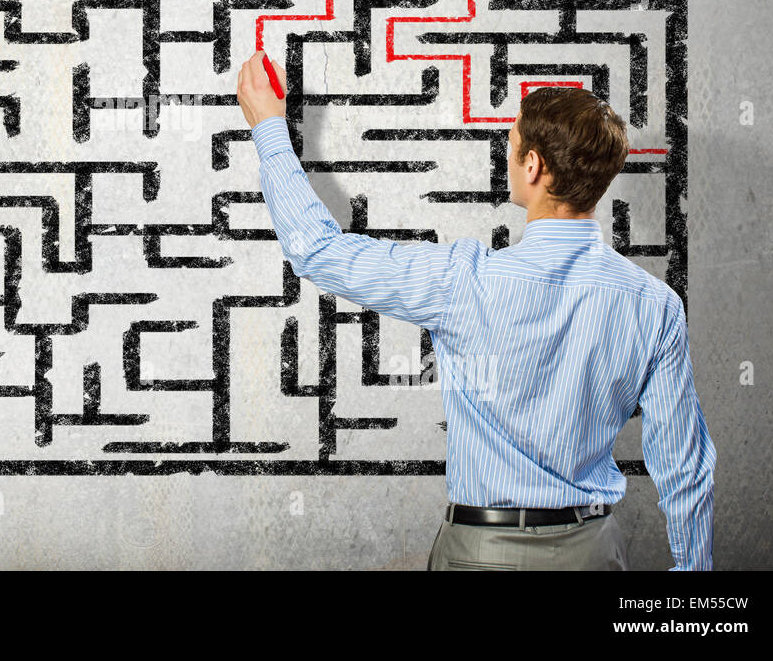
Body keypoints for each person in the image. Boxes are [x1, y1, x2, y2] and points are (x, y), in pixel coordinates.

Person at [236, 51, 716, 570]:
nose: (507, 157)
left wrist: (268, 127)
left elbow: (318, 250)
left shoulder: (463, 280)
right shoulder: (655, 306)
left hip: (481, 554)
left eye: (511, 146)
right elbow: (684, 468)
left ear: (533, 165)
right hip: (593, 554)